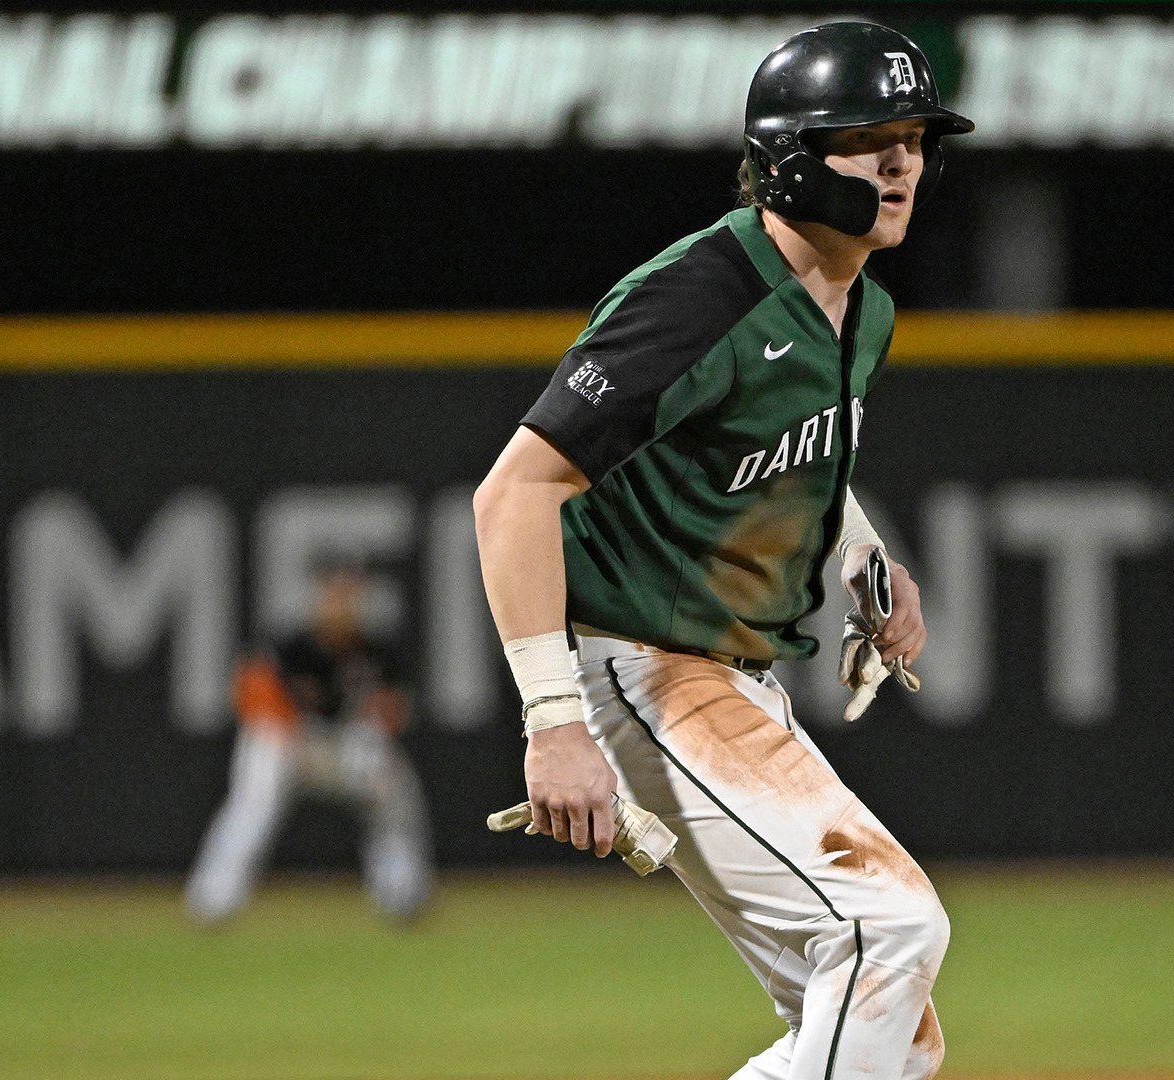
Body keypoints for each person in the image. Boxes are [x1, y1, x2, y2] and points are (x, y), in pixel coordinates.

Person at [471, 22, 969, 1080]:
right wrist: (553, 720)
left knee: (899, 1037)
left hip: (729, 679)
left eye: (915, 138)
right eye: (867, 138)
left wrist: (866, 564)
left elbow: (789, 466)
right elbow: (515, 493)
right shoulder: (699, 297)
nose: (901, 162)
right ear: (789, 158)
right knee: (890, 929)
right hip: (642, 666)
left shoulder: (863, 307)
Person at [187, 562, 431, 923]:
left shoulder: (376, 650)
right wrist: (290, 731)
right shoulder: (290, 644)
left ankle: (402, 891)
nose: (342, 603)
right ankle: (215, 897)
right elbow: (252, 693)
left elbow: (394, 708)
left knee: (393, 787)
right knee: (255, 796)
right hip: (288, 741)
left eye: (349, 594)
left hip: (340, 747)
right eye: (335, 593)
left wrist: (373, 727)